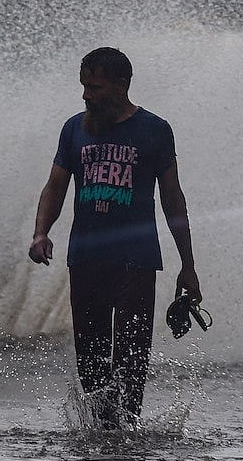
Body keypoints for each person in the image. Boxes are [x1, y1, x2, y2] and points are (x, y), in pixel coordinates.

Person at [29, 47, 202, 429]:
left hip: (136, 262)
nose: (86, 95)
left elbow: (173, 198)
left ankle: (126, 440)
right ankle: (101, 439)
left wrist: (188, 266)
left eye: (94, 86)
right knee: (90, 360)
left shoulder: (155, 130)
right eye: (83, 86)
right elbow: (56, 185)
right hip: (86, 259)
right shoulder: (74, 128)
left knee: (131, 358)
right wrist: (41, 232)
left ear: (121, 85)